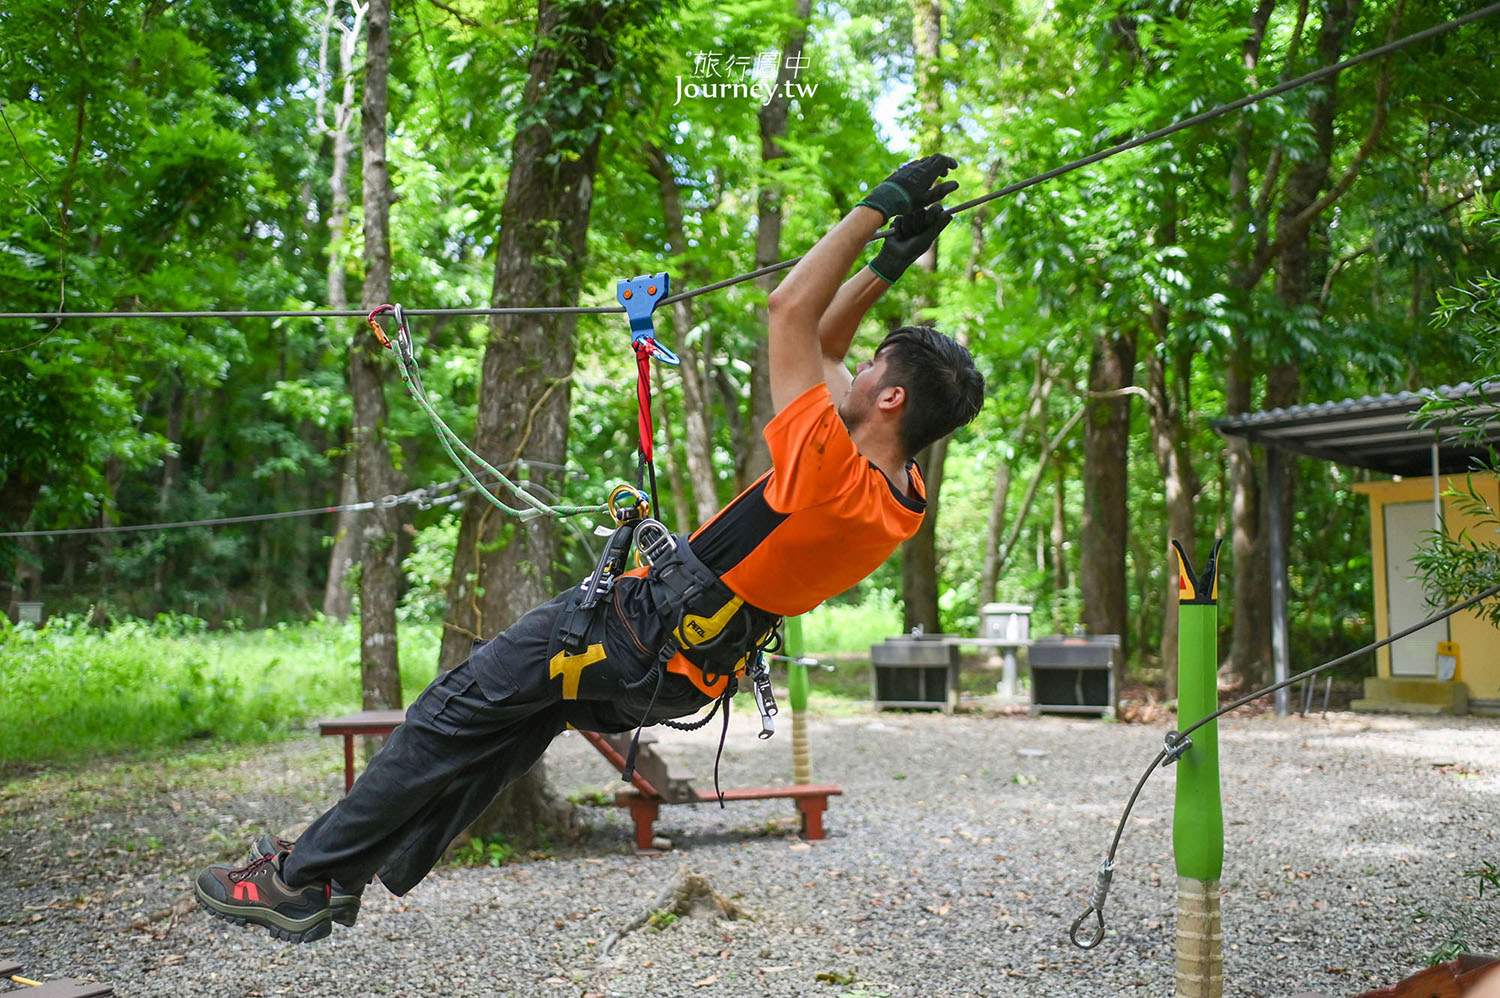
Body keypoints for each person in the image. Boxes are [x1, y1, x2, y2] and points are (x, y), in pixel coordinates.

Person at [194, 154, 985, 943]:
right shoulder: (898, 493)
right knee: (495, 732)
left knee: (449, 713)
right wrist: (889, 261)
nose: (855, 368)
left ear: (891, 399)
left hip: (633, 630)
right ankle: (337, 872)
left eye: (876, 369)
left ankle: (299, 883)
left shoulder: (826, 472)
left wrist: (877, 205)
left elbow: (790, 313)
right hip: (675, 668)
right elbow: (829, 339)